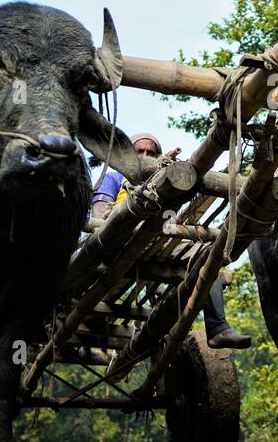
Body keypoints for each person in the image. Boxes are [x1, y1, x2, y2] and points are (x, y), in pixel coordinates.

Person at [90, 132, 250, 350]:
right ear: (127, 155)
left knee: (207, 255)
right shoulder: (114, 177)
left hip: (160, 240)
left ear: (159, 156)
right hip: (118, 240)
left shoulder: (165, 179)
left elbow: (172, 219)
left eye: (151, 152)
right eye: (139, 151)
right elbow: (99, 214)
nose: (145, 155)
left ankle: (218, 327)